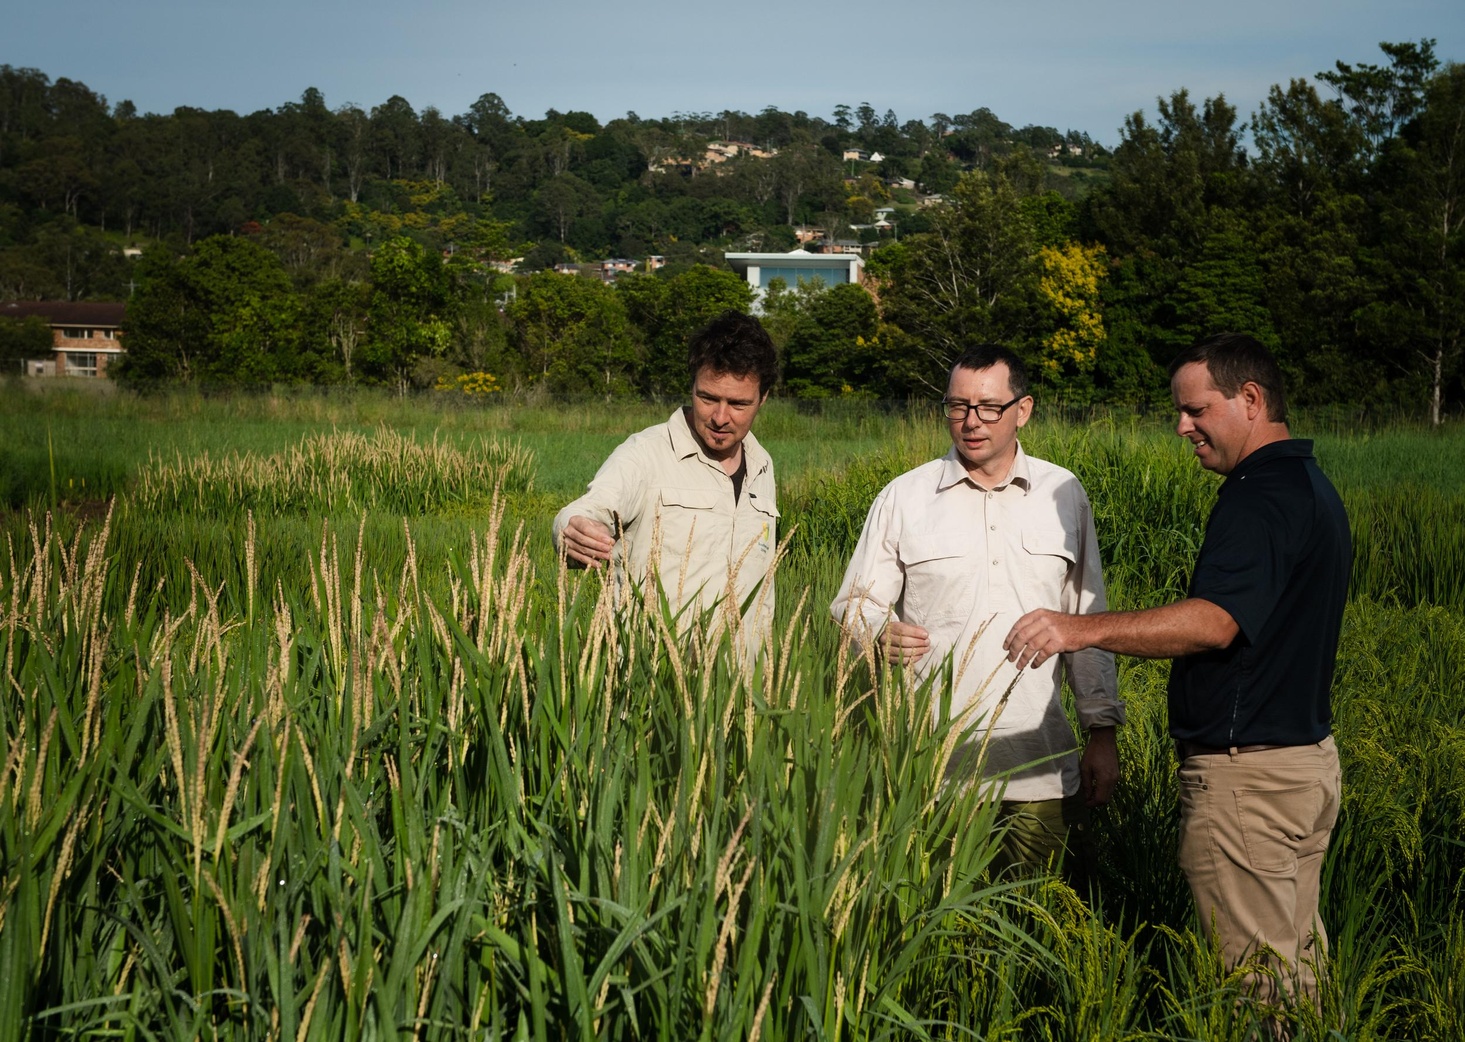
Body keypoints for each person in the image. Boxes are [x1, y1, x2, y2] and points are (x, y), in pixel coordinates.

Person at [1002, 333, 1350, 1010]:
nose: (1182, 427)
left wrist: (1077, 628)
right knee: (1297, 975)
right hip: (1302, 766)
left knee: (1255, 991)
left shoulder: (1258, 496)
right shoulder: (1308, 485)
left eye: (1195, 409)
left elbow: (1214, 622)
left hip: (1248, 778)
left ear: (1250, 399)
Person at [830, 344, 1124, 884]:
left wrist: (1101, 732)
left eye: (989, 407)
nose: (970, 421)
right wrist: (877, 633)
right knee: (935, 917)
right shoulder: (904, 497)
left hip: (1040, 769)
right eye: (957, 406)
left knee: (1042, 913)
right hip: (933, 774)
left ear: (1023, 409)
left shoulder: (1063, 494)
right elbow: (855, 603)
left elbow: (1087, 619)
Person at [554, 309, 781, 651]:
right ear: (692, 386)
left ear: (763, 398)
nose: (720, 417)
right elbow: (586, 512)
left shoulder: (763, 466)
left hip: (740, 680)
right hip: (654, 675)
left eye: (738, 404)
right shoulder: (644, 454)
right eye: (708, 398)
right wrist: (570, 531)